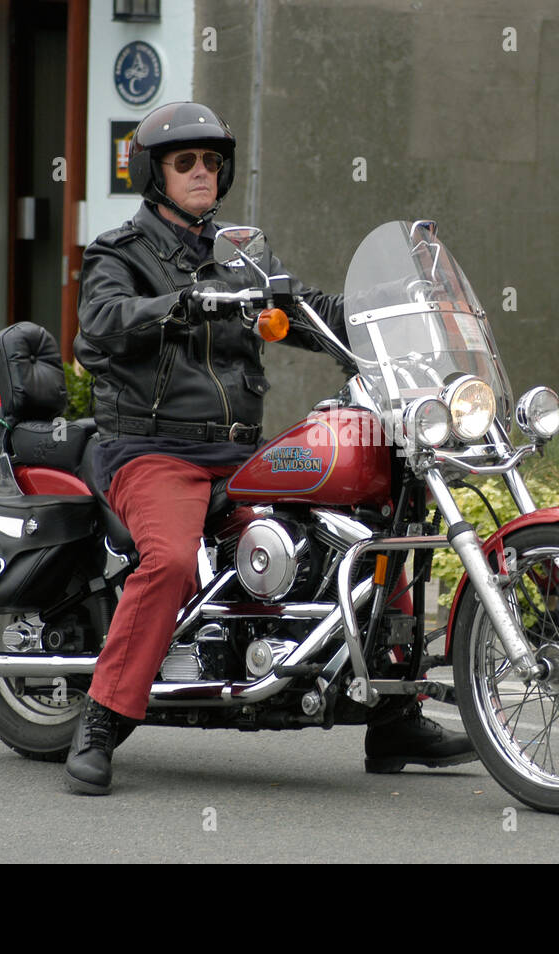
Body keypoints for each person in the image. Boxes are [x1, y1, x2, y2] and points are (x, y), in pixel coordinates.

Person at [67, 101, 475, 795]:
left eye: (211, 161)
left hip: (239, 457)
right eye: (186, 162)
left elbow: (307, 309)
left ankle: (393, 717)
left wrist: (391, 312)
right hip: (154, 451)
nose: (202, 171)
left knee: (375, 537)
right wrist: (178, 305)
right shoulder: (120, 252)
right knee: (169, 562)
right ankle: (102, 718)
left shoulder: (242, 256)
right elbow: (101, 322)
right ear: (154, 174)